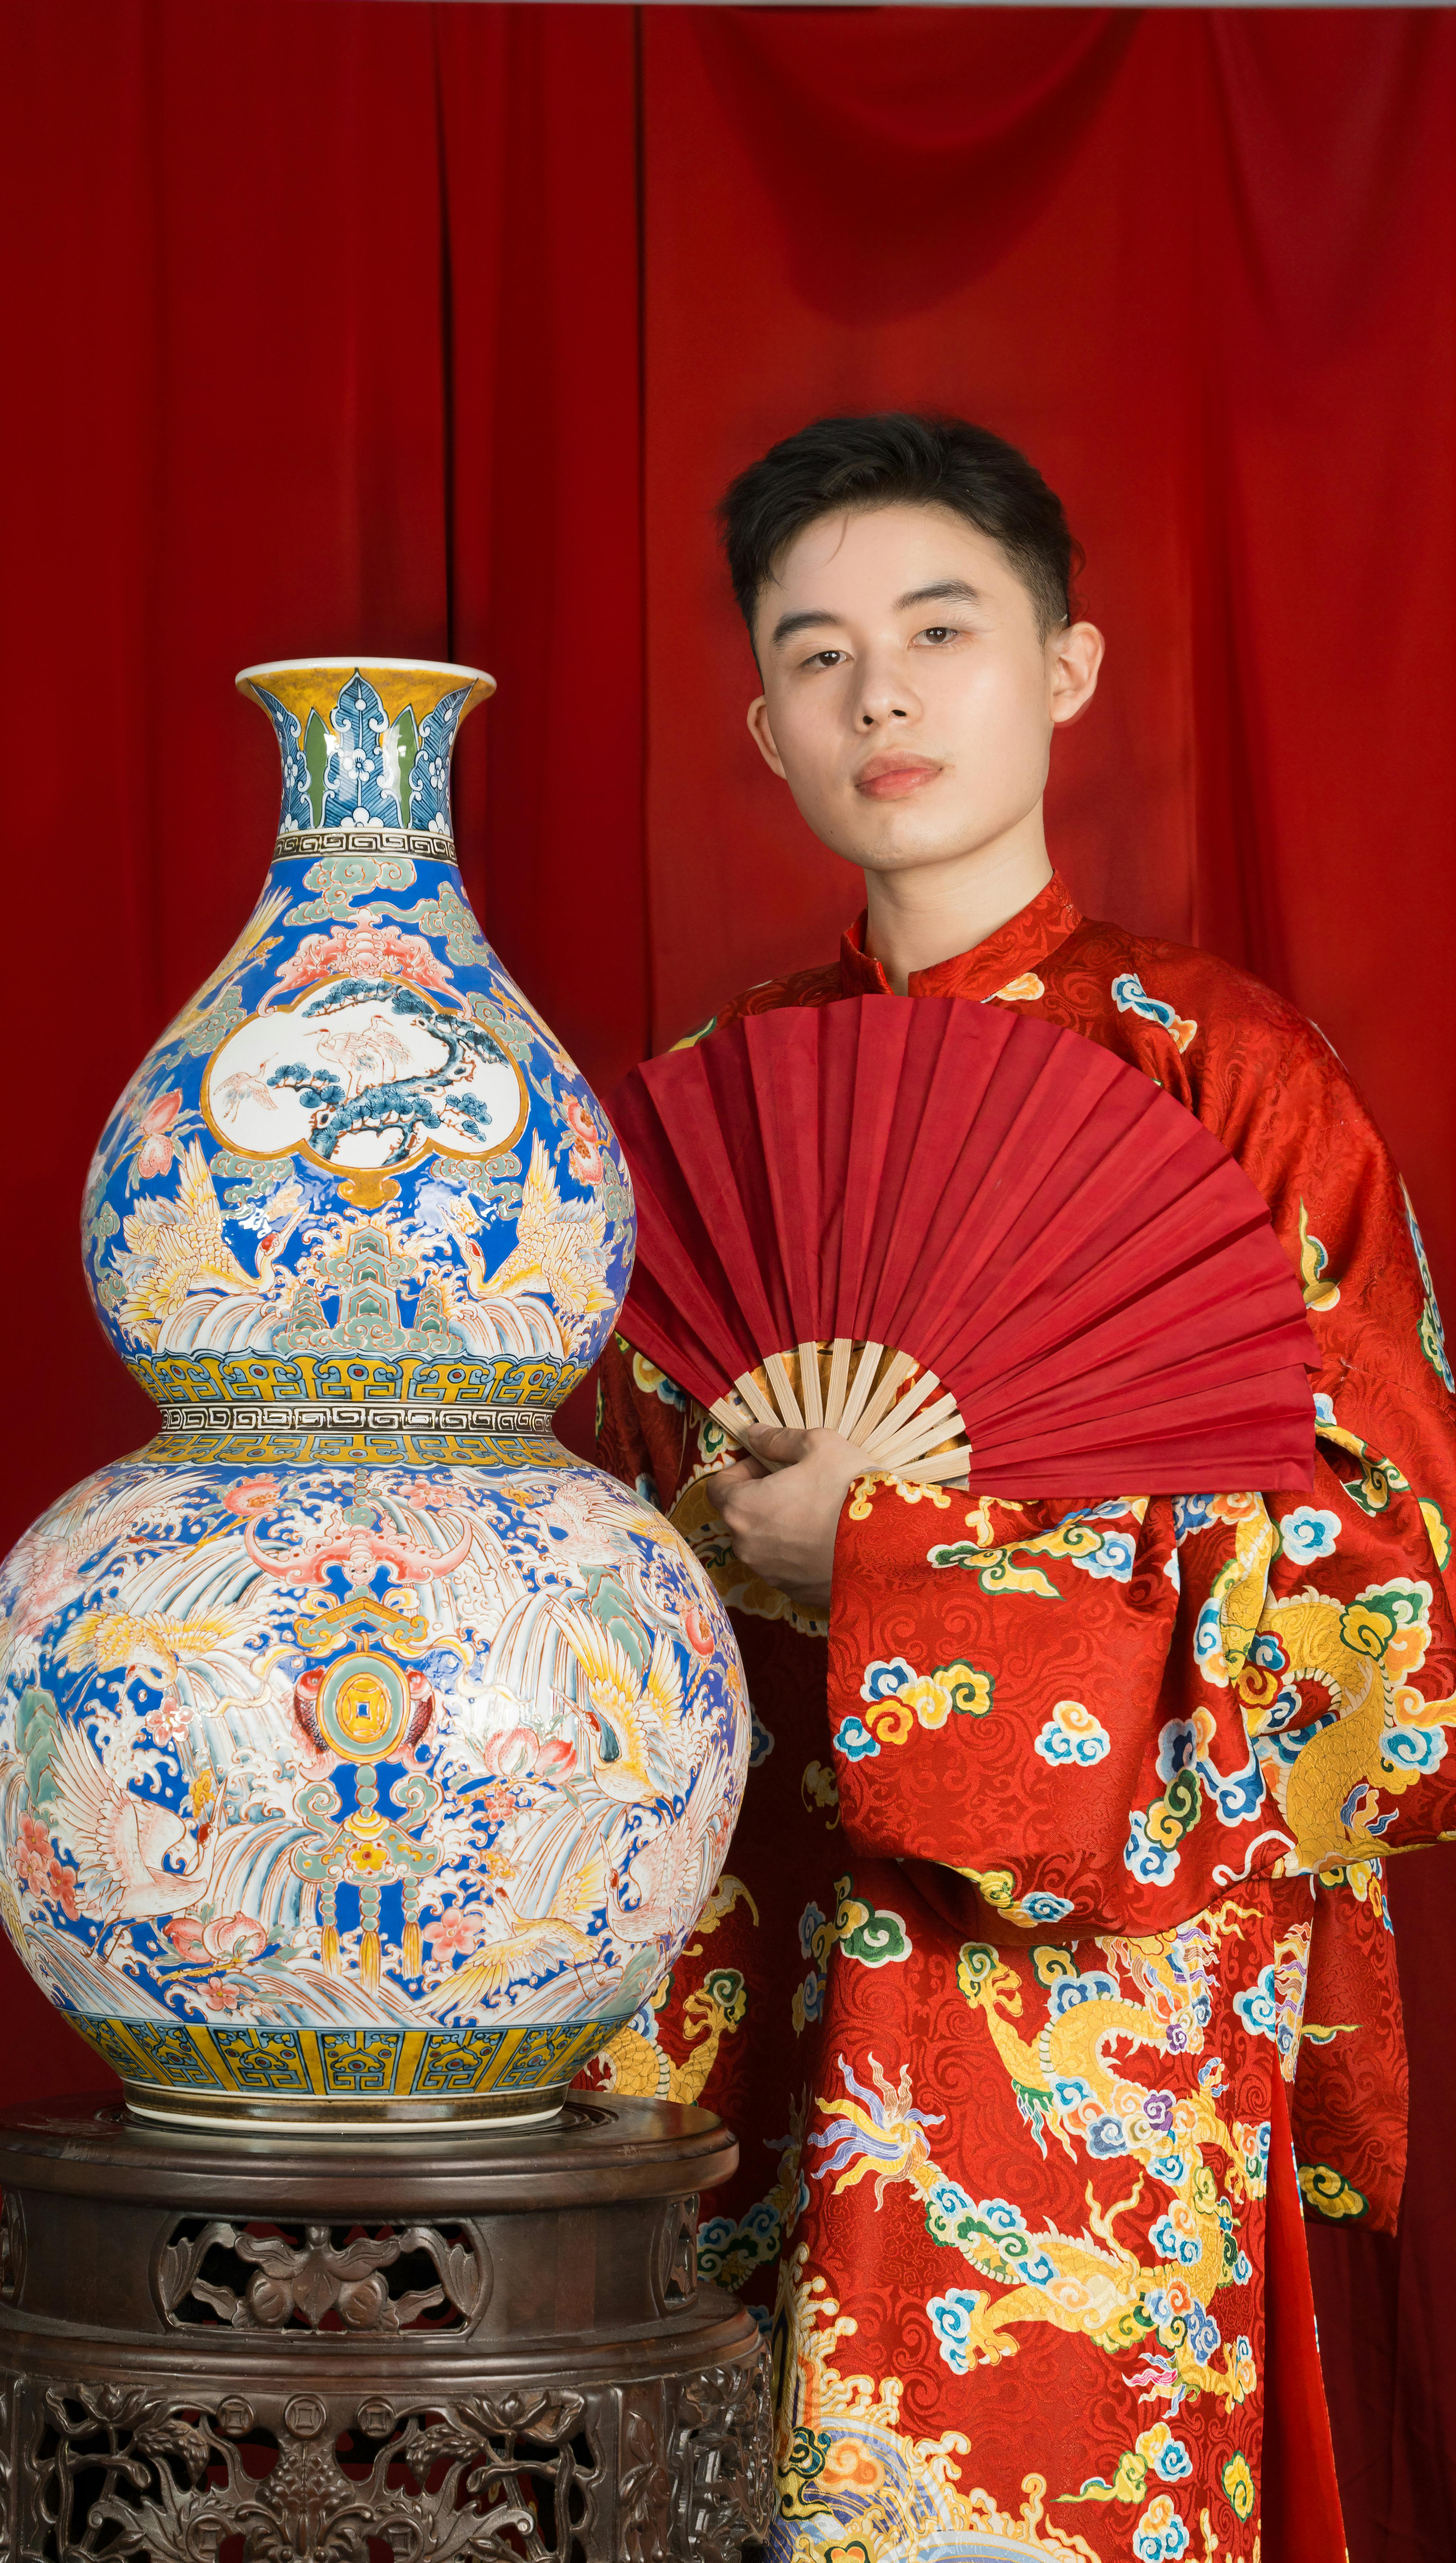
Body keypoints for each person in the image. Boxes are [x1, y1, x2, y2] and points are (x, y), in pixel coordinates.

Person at [582, 413, 1456, 2562]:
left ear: (1064, 668)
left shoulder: (1227, 1077)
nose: (877, 694)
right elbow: (598, 1576)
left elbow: (1390, 1604)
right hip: (756, 1974)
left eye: (939, 628)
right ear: (760, 724)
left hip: (1085, 1999)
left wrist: (892, 1560)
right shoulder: (709, 1110)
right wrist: (708, 1551)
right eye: (815, 652)